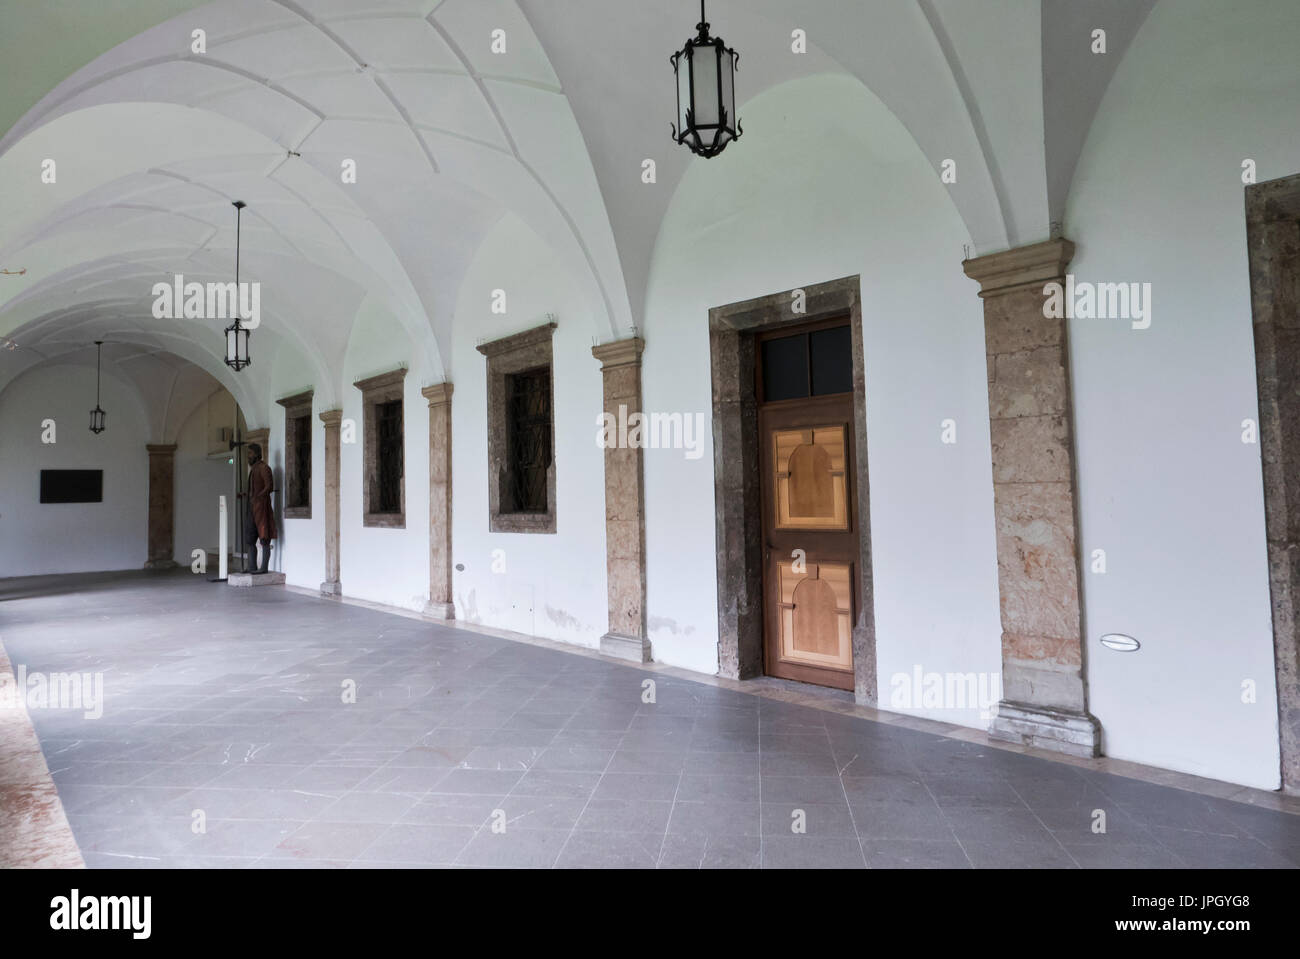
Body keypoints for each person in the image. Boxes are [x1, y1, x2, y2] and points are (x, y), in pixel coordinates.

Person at [243, 442, 276, 573]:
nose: (248, 457)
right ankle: (252, 566)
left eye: (250, 453)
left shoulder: (264, 468)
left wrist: (258, 496)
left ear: (257, 454)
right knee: (250, 538)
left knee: (264, 537)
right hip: (252, 508)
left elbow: (269, 486)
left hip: (261, 508)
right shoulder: (253, 470)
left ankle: (263, 568)